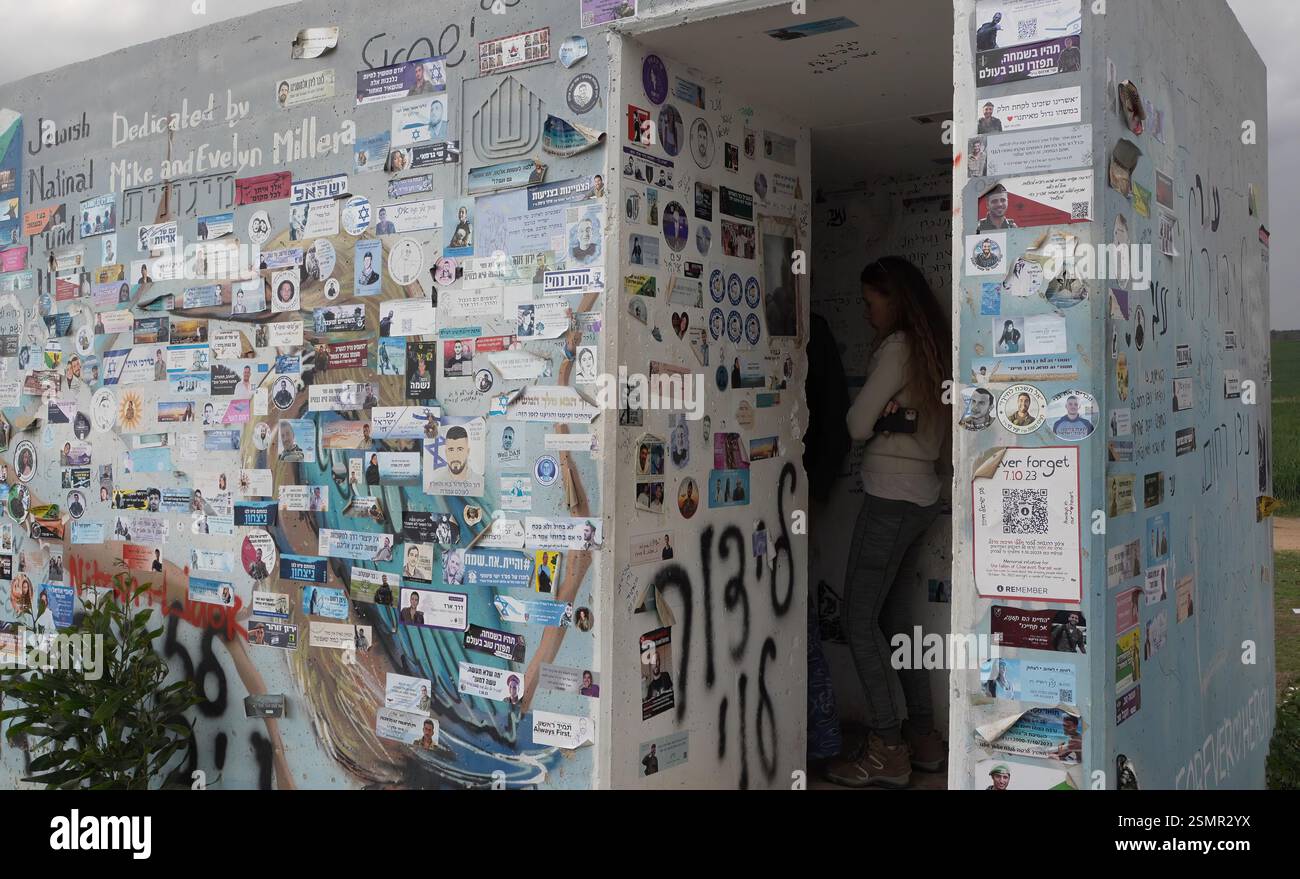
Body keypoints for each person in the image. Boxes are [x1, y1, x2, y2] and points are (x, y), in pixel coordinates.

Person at [825, 256, 950, 790]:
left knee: (857, 619)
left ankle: (886, 748)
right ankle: (923, 737)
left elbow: (855, 424)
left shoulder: (897, 349)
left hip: (890, 497)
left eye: (871, 302)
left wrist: (881, 421)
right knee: (897, 620)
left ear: (893, 300)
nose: (866, 312)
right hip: (922, 496)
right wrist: (895, 419)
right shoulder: (931, 346)